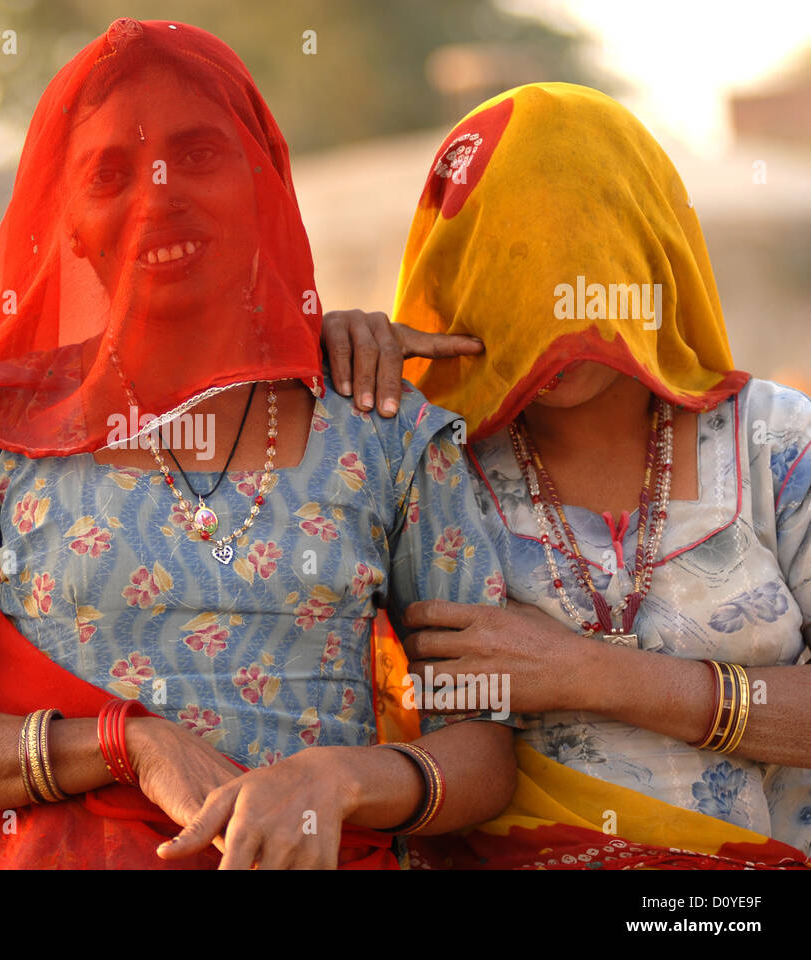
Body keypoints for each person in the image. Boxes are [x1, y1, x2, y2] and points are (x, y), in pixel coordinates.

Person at [0, 18, 517, 870]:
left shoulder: (384, 429)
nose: (158, 197)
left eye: (197, 156)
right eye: (109, 174)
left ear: (263, 182)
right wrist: (129, 747)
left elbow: (483, 746)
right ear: (68, 219)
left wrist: (338, 780)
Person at [324, 82, 811, 869]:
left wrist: (594, 675)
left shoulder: (777, 445)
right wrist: (315, 361)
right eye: (510, 271)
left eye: (583, 266)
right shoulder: (425, 462)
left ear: (651, 253)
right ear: (453, 275)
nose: (553, 319)